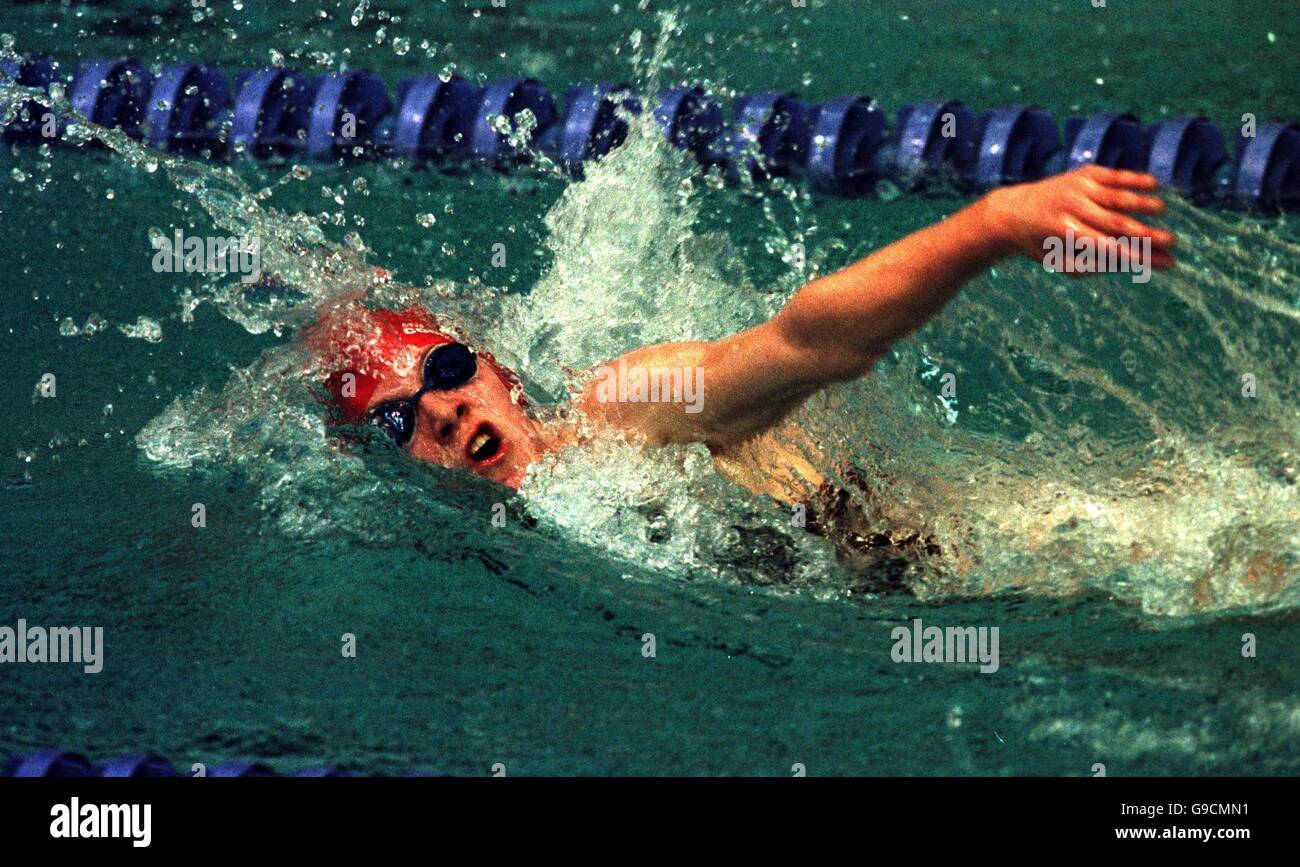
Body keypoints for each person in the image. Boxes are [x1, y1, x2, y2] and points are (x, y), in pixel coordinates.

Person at [306, 165, 1174, 587]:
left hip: (1036, 553)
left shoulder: (623, 410)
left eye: (448, 369)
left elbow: (811, 342)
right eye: (400, 420)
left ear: (499, 374)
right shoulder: (521, 545)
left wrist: (988, 226)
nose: (446, 411)